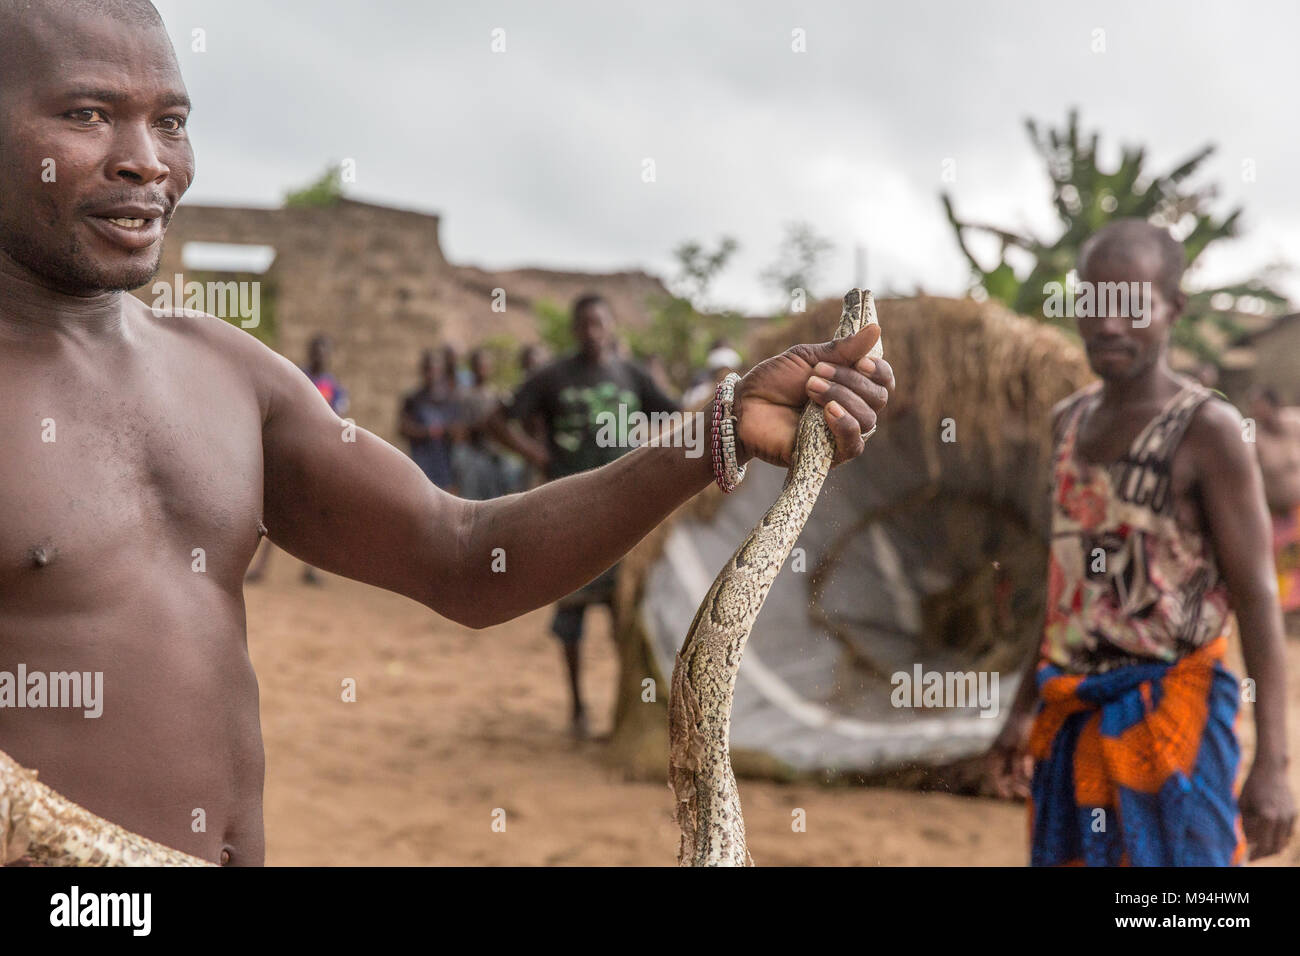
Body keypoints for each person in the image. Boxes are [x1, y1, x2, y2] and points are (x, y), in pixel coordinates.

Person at [0, 0, 892, 865]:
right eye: (87, 114)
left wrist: (715, 432)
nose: (146, 161)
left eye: (172, 120)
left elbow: (464, 556)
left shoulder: (227, 376)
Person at [987, 219, 1295, 865]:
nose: (1108, 323)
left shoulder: (1206, 431)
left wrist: (1273, 764)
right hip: (1071, 710)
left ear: (1173, 308)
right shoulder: (1067, 424)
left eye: (1131, 302)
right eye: (1092, 300)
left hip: (1174, 719)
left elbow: (1258, 599)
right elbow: (1065, 583)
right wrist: (1021, 707)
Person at [487, 294, 677, 738]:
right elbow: (496, 419)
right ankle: (576, 709)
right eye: (585, 325)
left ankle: (625, 718)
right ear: (575, 329)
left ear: (612, 327)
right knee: (571, 619)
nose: (593, 332)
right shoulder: (551, 377)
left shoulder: (632, 376)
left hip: (630, 519)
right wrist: (537, 454)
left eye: (600, 324)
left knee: (625, 620)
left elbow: (677, 413)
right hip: (569, 513)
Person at [245, 333, 348, 585]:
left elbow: (338, 420)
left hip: (320, 456)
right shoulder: (296, 378)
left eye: (324, 351)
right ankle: (260, 567)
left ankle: (311, 569)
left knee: (316, 512)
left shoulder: (334, 387)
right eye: (316, 350)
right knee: (276, 509)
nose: (320, 355)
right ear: (310, 352)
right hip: (293, 452)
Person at [1249, 386, 1300, 615]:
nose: (1256, 409)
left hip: (1296, 512)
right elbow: (1238, 451)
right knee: (1275, 565)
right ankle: (1279, 612)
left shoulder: (1294, 422)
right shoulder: (1251, 432)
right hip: (1271, 512)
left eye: (1260, 403)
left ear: (1274, 404)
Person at [451, 347, 509, 501]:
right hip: (473, 454)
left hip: (494, 454)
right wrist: (488, 423)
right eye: (479, 365)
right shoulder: (464, 395)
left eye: (485, 365)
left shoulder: (495, 394)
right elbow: (461, 428)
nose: (483, 369)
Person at [398, 348, 459, 492]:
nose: (431, 373)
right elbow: (403, 428)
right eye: (427, 369)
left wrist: (448, 432)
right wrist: (427, 432)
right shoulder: (413, 399)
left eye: (434, 369)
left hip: (446, 462)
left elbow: (459, 431)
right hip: (422, 460)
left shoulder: (450, 398)